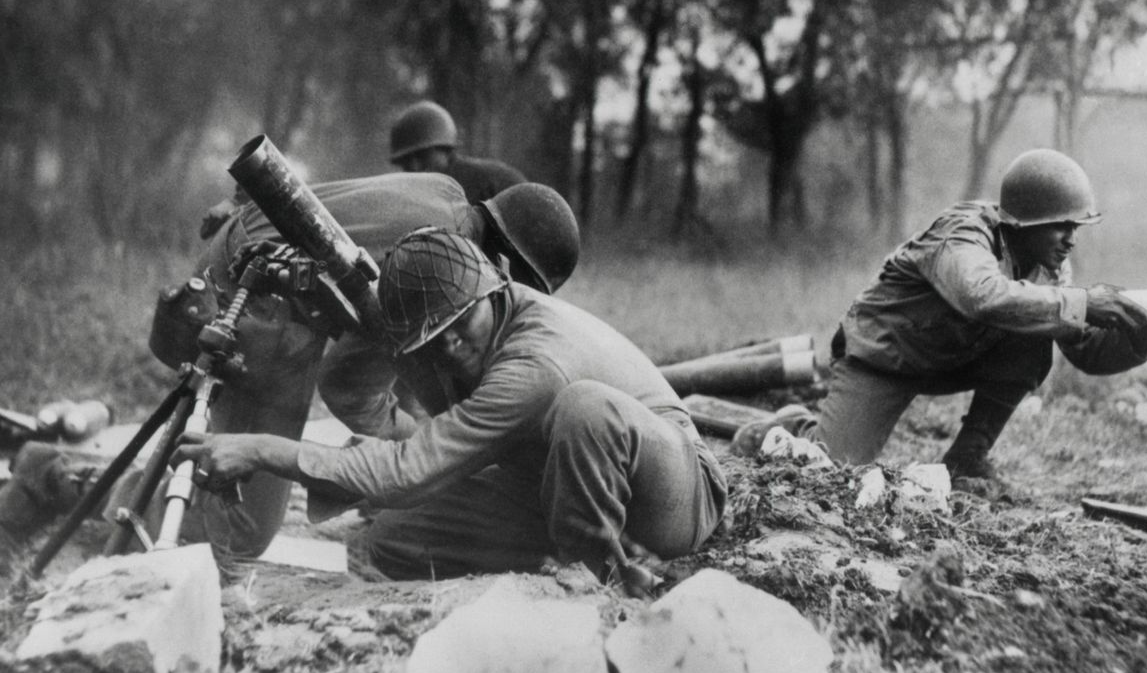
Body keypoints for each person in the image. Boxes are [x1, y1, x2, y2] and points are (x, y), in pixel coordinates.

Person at [0, 174, 580, 572]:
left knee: (221, 472)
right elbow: (348, 384)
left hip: (254, 270)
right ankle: (57, 475)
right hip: (255, 305)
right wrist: (418, 446)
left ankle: (77, 473)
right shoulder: (434, 267)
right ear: (504, 264)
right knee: (242, 529)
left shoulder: (443, 195)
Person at [175, 227, 727, 590]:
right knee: (393, 540)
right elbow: (406, 440)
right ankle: (565, 552)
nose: (455, 348)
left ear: (495, 287)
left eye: (462, 326)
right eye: (435, 342)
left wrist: (261, 448)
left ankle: (602, 577)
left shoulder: (535, 364)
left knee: (584, 408)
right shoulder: (478, 333)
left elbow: (409, 471)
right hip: (555, 482)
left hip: (673, 492)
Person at [735, 149, 1147, 490]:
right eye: (1061, 226)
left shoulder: (1048, 266)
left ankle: (968, 456)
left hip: (951, 358)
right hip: (885, 358)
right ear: (1022, 223)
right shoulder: (963, 234)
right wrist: (1085, 302)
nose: (1071, 239)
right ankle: (789, 426)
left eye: (1076, 228)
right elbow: (982, 298)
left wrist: (1144, 332)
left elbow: (1085, 349)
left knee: (1039, 334)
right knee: (828, 470)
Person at [389, 100, 526, 203]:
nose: (414, 167)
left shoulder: (493, 181)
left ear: (445, 150)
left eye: (421, 156)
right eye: (406, 161)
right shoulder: (412, 198)